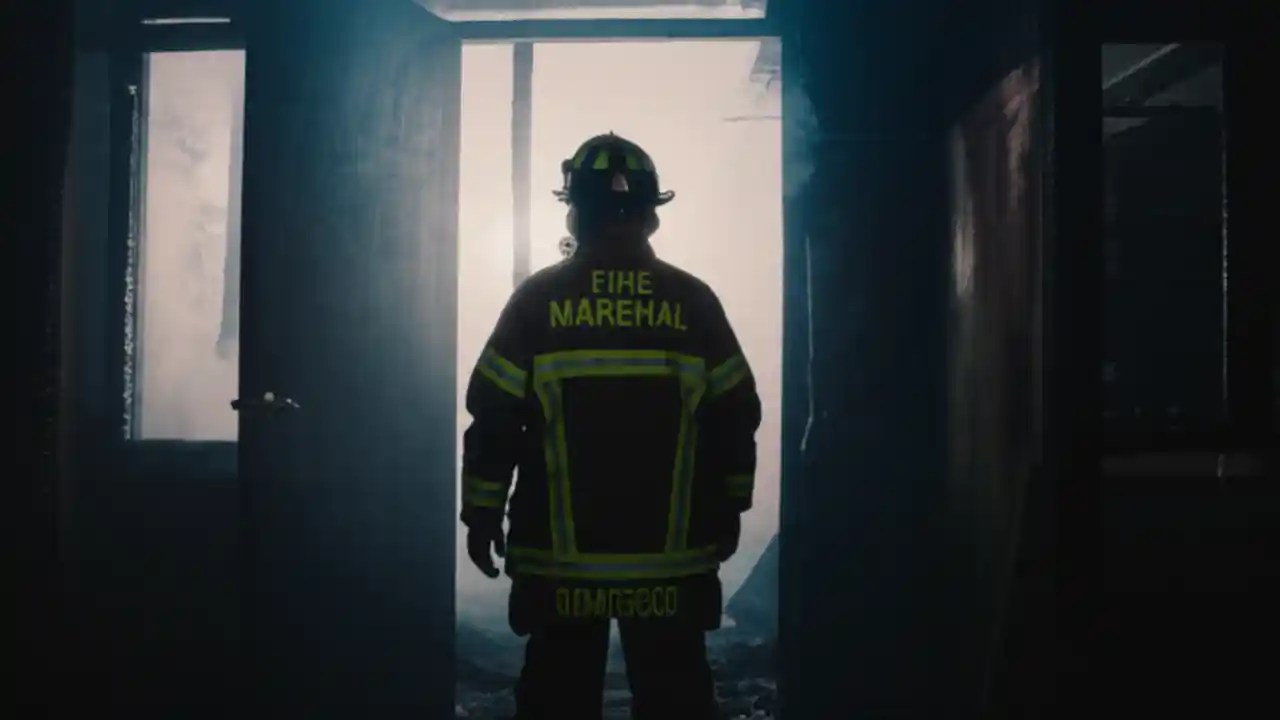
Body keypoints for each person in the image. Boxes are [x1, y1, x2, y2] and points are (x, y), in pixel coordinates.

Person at [460, 132, 762, 720]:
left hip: (559, 565)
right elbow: (735, 415)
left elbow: (494, 418)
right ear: (652, 215)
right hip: (672, 566)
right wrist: (729, 509)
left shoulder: (537, 302)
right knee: (675, 698)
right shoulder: (693, 302)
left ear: (575, 209)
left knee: (558, 698)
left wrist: (481, 513)